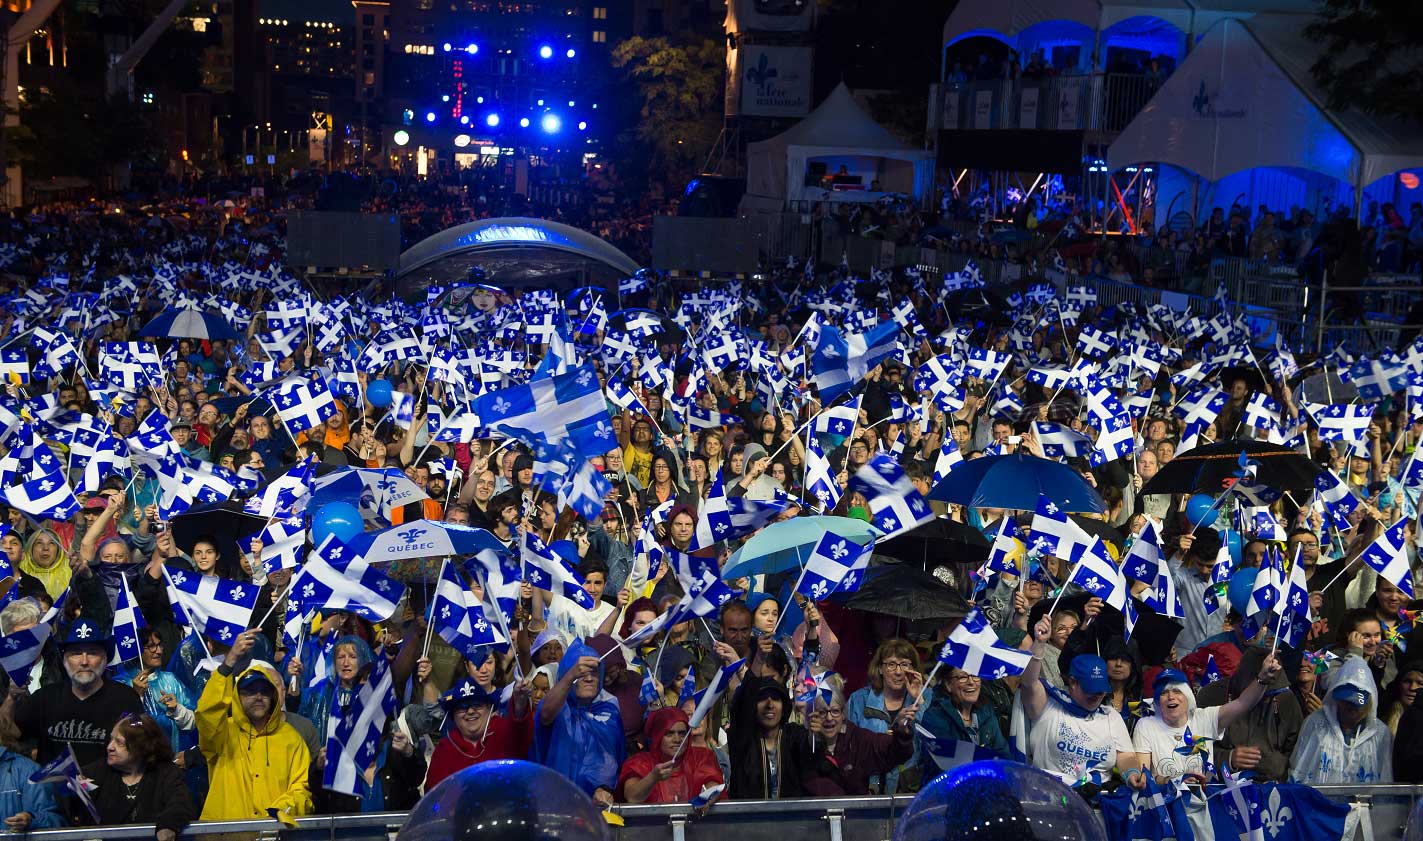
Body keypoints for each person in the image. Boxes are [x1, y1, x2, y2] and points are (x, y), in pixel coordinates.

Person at [196, 629, 313, 824]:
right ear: (237, 696)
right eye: (250, 691)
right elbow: (206, 713)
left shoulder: (292, 739)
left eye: (264, 691)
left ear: (273, 696)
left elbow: (301, 789)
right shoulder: (222, 733)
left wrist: (280, 812)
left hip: (273, 833)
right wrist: (229, 662)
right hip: (225, 835)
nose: (258, 696)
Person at [1019, 615, 1147, 790]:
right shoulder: (1048, 706)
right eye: (1090, 689)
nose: (1097, 695)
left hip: (1097, 798)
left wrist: (1132, 773)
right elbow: (1029, 682)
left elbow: (1125, 755)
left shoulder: (1111, 716)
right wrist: (1040, 643)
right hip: (1050, 794)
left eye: (1100, 690)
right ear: (1072, 682)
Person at [1132, 653, 1282, 784]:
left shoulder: (1204, 717)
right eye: (1163, 693)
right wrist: (1174, 781)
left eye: (1177, 691)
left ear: (1188, 696)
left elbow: (1243, 703)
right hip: (1164, 800)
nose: (1171, 696)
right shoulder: (1146, 725)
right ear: (1157, 701)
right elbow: (1144, 777)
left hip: (1205, 797)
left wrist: (1262, 679)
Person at [13, 618, 145, 766]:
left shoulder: (126, 698)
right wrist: (10, 698)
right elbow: (10, 734)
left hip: (108, 780)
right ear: (64, 660)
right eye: (76, 653)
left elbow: (140, 746)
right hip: (52, 781)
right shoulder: (45, 698)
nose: (84, 661)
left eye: (92, 653)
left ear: (104, 659)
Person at [533, 640, 625, 805]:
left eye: (594, 672)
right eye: (582, 674)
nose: (589, 678)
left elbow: (611, 761)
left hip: (596, 807)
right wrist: (571, 676)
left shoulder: (609, 712)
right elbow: (545, 715)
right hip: (553, 805)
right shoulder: (558, 707)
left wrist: (603, 788)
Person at [80, 714, 196, 839]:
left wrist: (167, 826)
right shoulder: (98, 771)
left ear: (141, 746)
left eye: (119, 743)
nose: (110, 747)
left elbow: (180, 805)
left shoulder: (167, 772)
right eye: (111, 740)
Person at [1290, 655, 1393, 784]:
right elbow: (1298, 770)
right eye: (1346, 701)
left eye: (1356, 703)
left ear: (1370, 702)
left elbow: (1386, 780)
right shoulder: (1315, 724)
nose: (1350, 707)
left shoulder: (1381, 734)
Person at [806, 676, 916, 796]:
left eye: (835, 711)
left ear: (843, 714)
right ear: (813, 715)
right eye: (822, 712)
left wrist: (901, 731)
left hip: (854, 807)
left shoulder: (857, 738)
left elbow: (894, 752)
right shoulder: (803, 742)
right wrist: (815, 740)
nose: (829, 718)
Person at [424, 677, 535, 790]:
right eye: (462, 707)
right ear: (453, 716)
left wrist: (520, 702)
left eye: (477, 705)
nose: (470, 711)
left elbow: (522, 731)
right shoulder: (444, 750)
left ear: (489, 709)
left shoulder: (505, 731)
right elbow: (433, 793)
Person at [728, 674, 819, 798]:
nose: (770, 705)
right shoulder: (743, 739)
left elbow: (812, 753)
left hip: (793, 811)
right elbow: (740, 708)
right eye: (762, 698)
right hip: (749, 811)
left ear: (784, 706)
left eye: (776, 698)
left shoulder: (794, 734)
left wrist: (816, 736)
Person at [919, 665, 1009, 783]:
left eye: (975, 676)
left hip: (987, 787)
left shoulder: (987, 713)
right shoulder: (935, 717)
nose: (971, 682)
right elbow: (947, 765)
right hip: (948, 789)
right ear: (948, 685)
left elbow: (1004, 756)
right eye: (963, 677)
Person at [616, 707, 723, 804]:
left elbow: (713, 785)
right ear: (658, 736)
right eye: (669, 733)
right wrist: (653, 777)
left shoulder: (702, 756)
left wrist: (705, 799)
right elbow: (632, 797)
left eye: (682, 733)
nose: (677, 740)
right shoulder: (639, 762)